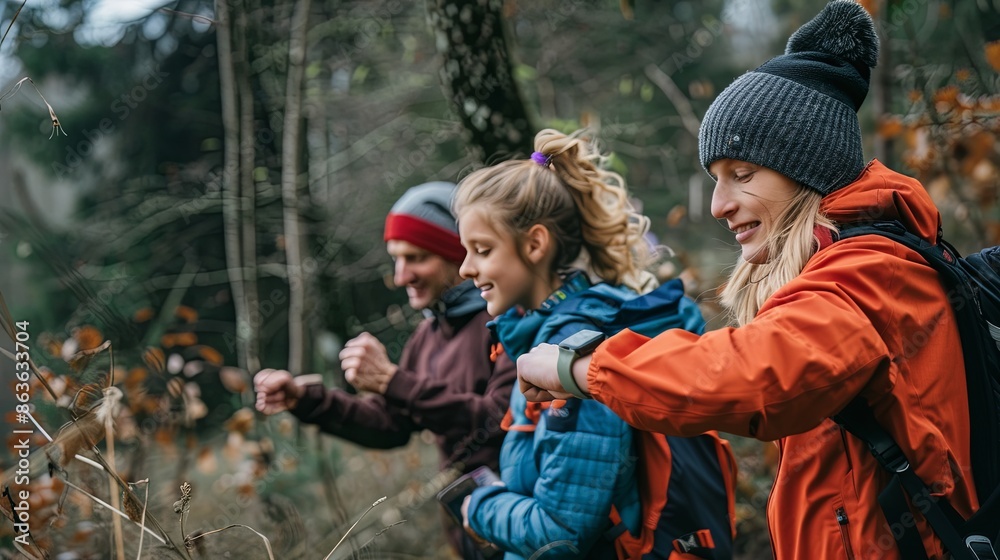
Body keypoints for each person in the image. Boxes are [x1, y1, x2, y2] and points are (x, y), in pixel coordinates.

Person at [516, 2, 982, 560]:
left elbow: (751, 376)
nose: (718, 205)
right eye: (714, 179)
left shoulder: (873, 274)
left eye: (741, 175)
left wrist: (579, 365)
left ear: (805, 169)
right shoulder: (852, 268)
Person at [454, 129, 731, 559]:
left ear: (534, 244)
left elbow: (562, 533)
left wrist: (479, 508)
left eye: (482, 250)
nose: (466, 269)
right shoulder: (562, 329)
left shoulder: (575, 348)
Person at [254, 182, 517, 559]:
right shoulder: (428, 335)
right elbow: (391, 424)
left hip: (526, 525)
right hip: (473, 536)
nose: (400, 276)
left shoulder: (505, 321)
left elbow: (500, 419)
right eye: (396, 258)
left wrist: (395, 381)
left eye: (416, 258)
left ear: (457, 254)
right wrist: (307, 400)